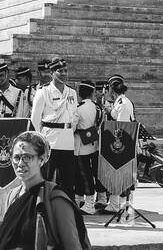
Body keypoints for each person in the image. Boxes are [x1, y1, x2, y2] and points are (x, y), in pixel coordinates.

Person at [30, 56, 78, 193]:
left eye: (65, 71)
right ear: (52, 73)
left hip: (67, 141)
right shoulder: (43, 91)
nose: (64, 74)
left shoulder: (72, 92)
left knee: (68, 181)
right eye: (60, 71)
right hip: (49, 140)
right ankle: (43, 209)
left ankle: (66, 210)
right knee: (46, 179)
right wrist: (41, 139)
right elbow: (35, 119)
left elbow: (74, 116)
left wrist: (69, 130)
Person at [107, 73, 137, 224]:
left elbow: (122, 127)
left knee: (124, 175)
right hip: (121, 143)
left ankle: (126, 207)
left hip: (125, 144)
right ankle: (118, 205)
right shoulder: (118, 101)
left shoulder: (123, 103)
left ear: (112, 90)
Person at [74, 79, 101, 212]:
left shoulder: (78, 109)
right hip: (94, 144)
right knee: (87, 174)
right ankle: (80, 200)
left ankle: (89, 203)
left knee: (84, 175)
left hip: (81, 146)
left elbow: (73, 127)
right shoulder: (97, 107)